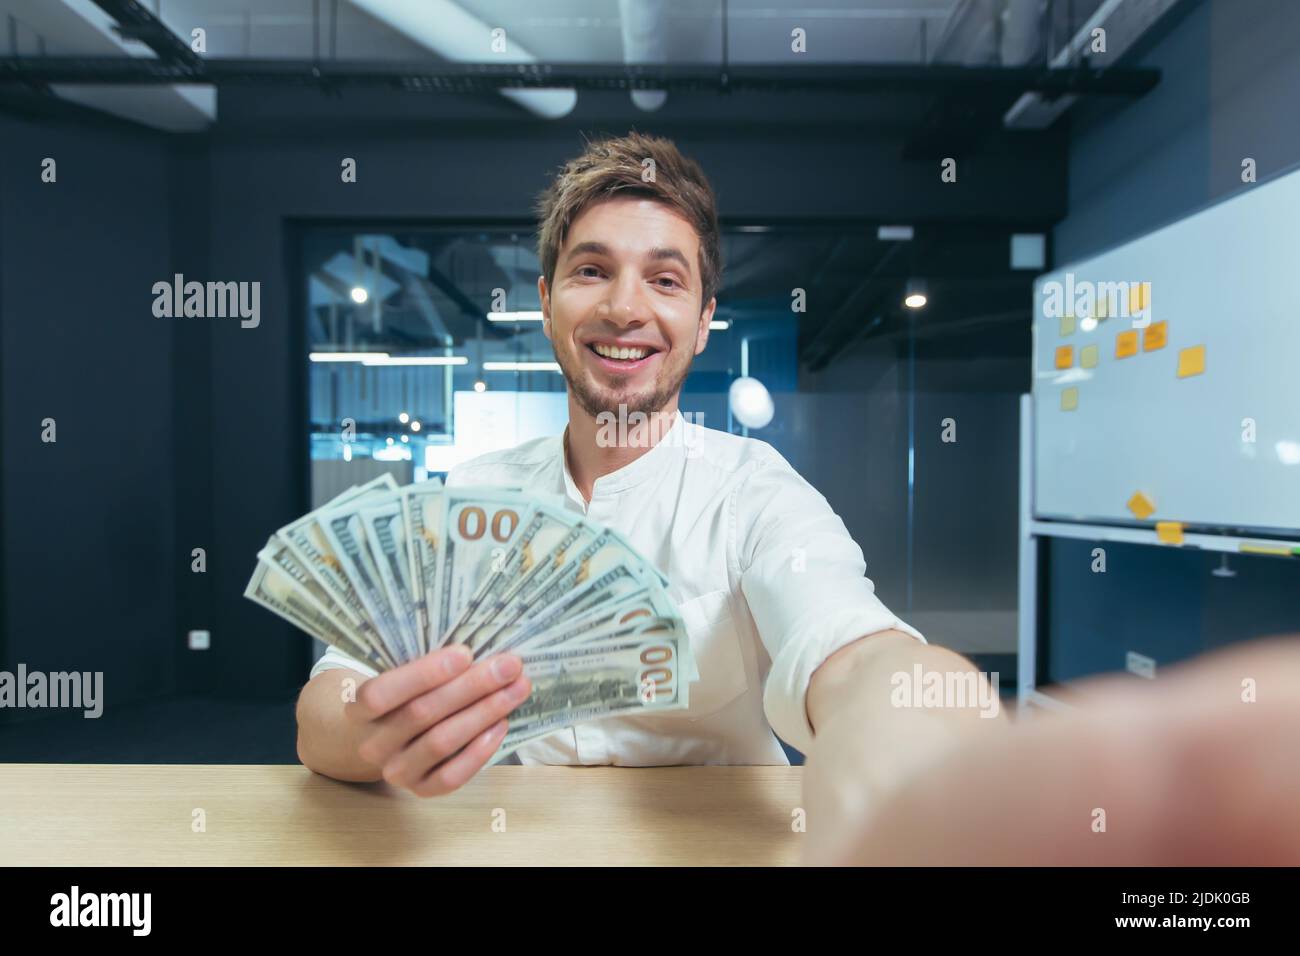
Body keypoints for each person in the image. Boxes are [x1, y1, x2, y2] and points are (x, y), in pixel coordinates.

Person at [294, 131, 1300, 865]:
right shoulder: (464, 496)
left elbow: (856, 653)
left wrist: (925, 775)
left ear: (699, 323)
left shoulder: (752, 491)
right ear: (549, 300)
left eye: (666, 278)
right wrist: (369, 728)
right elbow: (326, 703)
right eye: (590, 270)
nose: (624, 305)